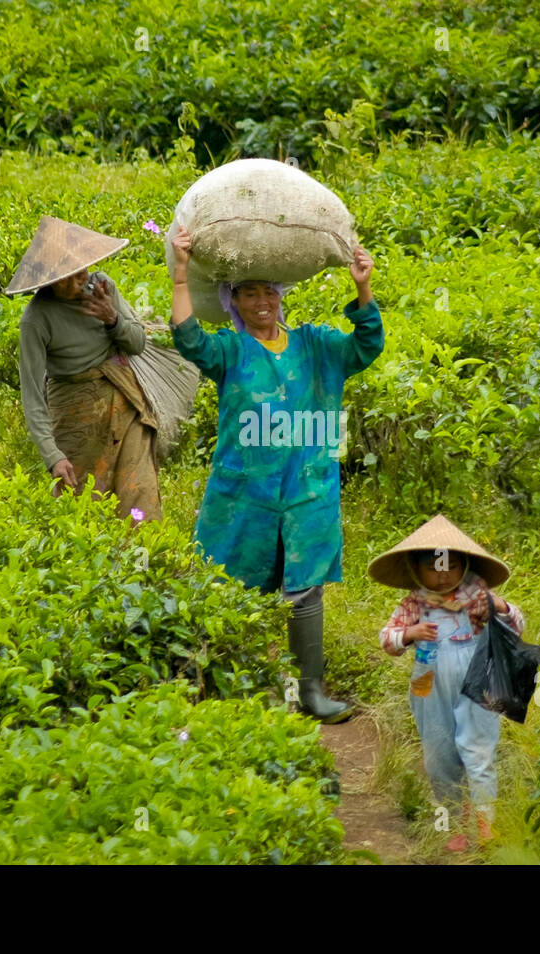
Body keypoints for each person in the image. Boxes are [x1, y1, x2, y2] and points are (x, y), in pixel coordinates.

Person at [168, 225, 383, 722]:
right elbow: (187, 338)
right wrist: (181, 270)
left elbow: (366, 347)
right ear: (233, 302)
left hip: (308, 493)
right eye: (248, 293)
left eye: (269, 291)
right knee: (229, 584)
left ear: (281, 296)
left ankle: (310, 693)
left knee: (306, 589)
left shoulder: (316, 345)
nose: (261, 301)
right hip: (243, 498)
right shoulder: (230, 351)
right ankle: (222, 688)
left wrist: (362, 286)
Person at [369, 514, 526, 852]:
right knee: (439, 754)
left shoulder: (477, 595)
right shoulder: (414, 602)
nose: (442, 574)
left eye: (450, 566)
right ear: (416, 568)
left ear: (464, 564)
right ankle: (454, 823)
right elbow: (386, 638)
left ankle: (486, 826)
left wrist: (499, 606)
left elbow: (517, 624)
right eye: (433, 566)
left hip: (479, 682)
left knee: (479, 750)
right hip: (429, 685)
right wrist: (410, 633)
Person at [12, 216, 163, 521]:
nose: (74, 283)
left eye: (79, 273)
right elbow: (32, 396)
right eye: (63, 278)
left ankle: (149, 565)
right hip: (75, 414)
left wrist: (112, 319)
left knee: (139, 496)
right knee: (83, 510)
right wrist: (52, 456)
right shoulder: (36, 319)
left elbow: (137, 344)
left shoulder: (104, 286)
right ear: (47, 281)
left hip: (124, 402)